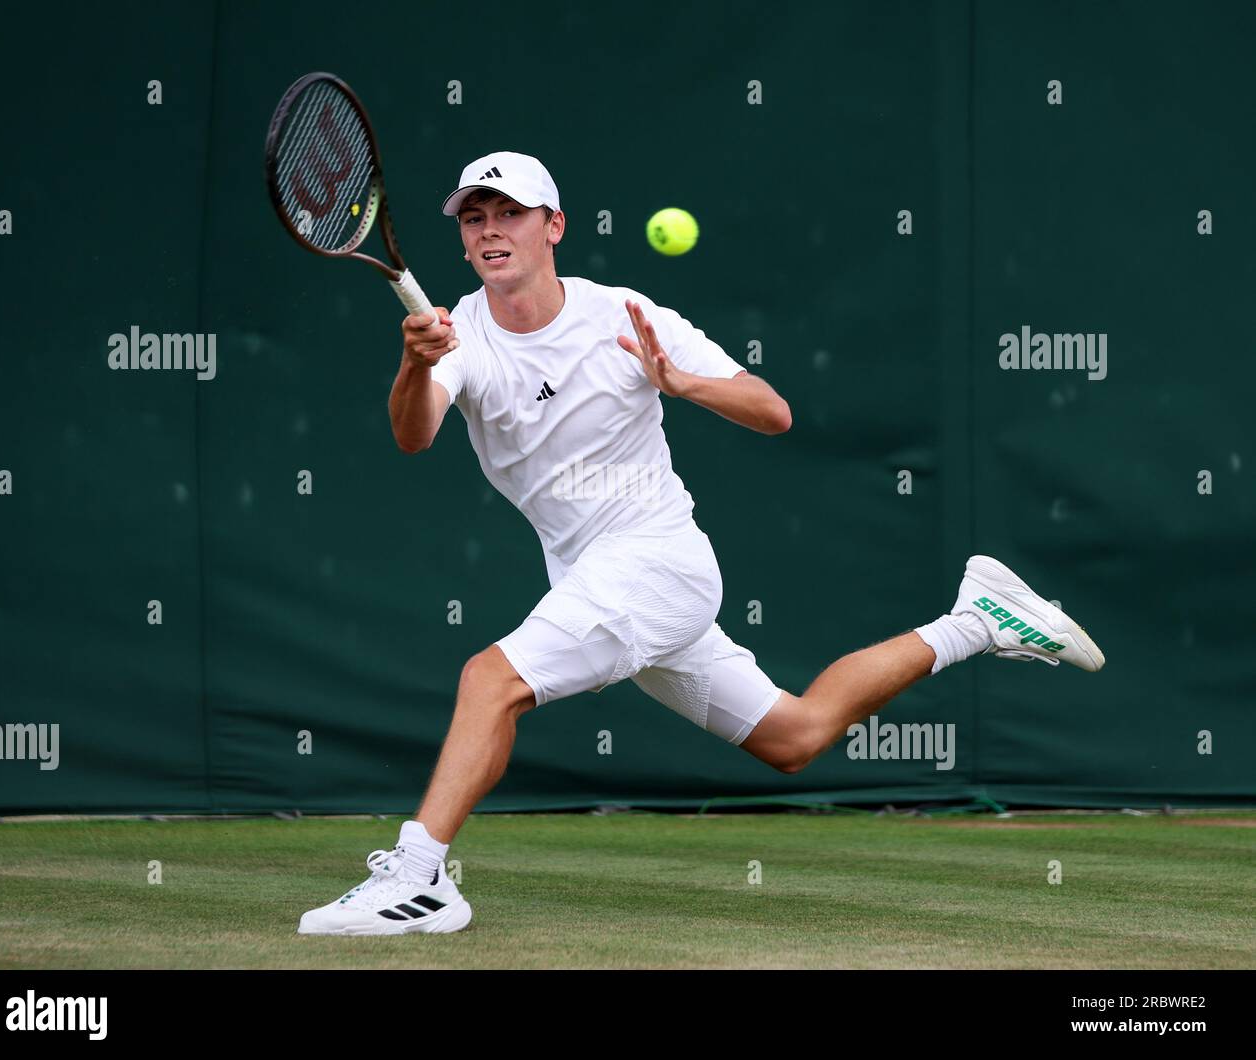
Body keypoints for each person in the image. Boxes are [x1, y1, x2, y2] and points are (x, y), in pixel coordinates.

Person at [297, 151, 1105, 936]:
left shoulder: (625, 314)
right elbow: (416, 434)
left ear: (554, 227)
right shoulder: (456, 335)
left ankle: (419, 878)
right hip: (595, 576)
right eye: (475, 217)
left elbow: (771, 408)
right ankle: (979, 622)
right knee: (795, 736)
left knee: (489, 679)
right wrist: (413, 367)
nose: (490, 229)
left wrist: (682, 383)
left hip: (657, 561)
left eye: (511, 212)